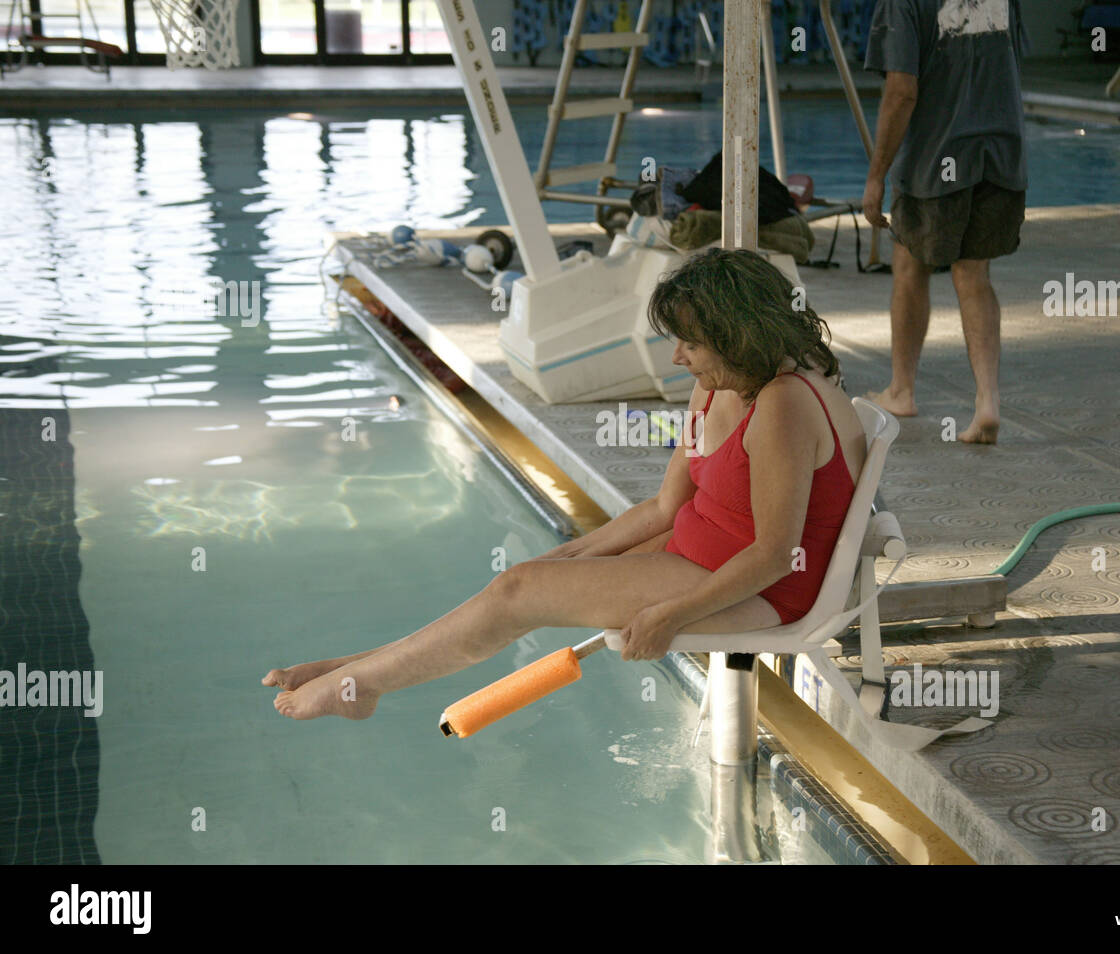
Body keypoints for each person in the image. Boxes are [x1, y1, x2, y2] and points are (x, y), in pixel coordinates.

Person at [264, 248, 866, 720]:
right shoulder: (723, 382)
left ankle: (360, 684)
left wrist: (670, 615)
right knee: (520, 584)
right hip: (700, 554)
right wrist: (564, 559)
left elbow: (772, 556)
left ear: (740, 336)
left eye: (692, 341)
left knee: (520, 591)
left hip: (755, 586)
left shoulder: (785, 404)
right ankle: (357, 671)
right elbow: (664, 506)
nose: (678, 357)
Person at [861, 0, 1028, 444]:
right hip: (1002, 150)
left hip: (937, 158)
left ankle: (901, 390)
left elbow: (901, 90)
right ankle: (987, 402)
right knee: (974, 274)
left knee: (910, 265)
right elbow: (1011, 60)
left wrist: (876, 176)